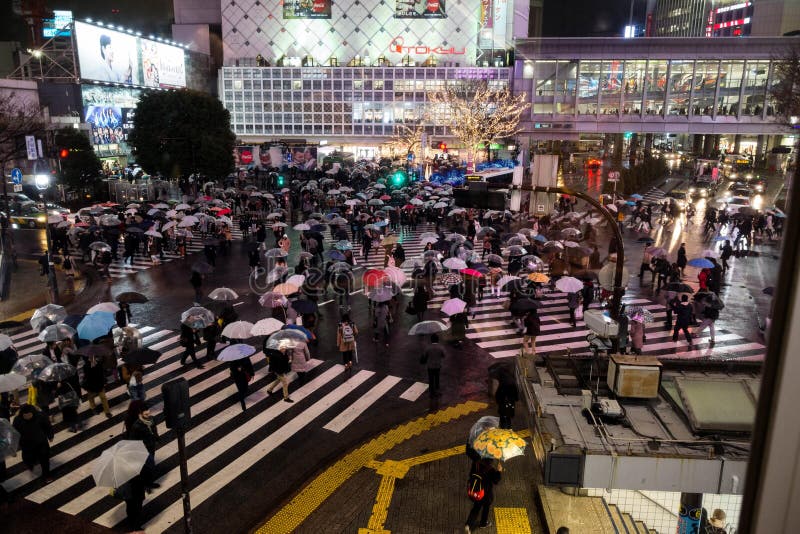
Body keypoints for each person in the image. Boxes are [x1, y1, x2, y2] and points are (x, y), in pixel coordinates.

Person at [13, 404, 54, 482]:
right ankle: (30, 464)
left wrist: (50, 436)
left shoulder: (40, 416)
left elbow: (47, 426)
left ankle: (47, 475)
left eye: (29, 415)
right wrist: (15, 446)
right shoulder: (17, 420)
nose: (27, 417)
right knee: (28, 458)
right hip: (26, 444)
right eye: (25, 416)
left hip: (41, 442)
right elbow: (15, 433)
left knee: (44, 459)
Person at [127, 404, 160, 491]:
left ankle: (149, 483)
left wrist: (156, 438)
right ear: (140, 414)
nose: (148, 416)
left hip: (151, 446)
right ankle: (146, 485)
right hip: (143, 449)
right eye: (146, 414)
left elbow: (154, 430)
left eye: (149, 413)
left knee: (150, 465)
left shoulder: (152, 420)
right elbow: (132, 440)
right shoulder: (136, 426)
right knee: (146, 467)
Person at [464, 458, 502, 533]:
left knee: (476, 508)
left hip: (477, 491)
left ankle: (468, 525)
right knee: (486, 507)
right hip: (486, 493)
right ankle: (483, 523)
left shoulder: (476, 463)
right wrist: (499, 471)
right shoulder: (490, 469)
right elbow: (496, 480)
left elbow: (471, 474)